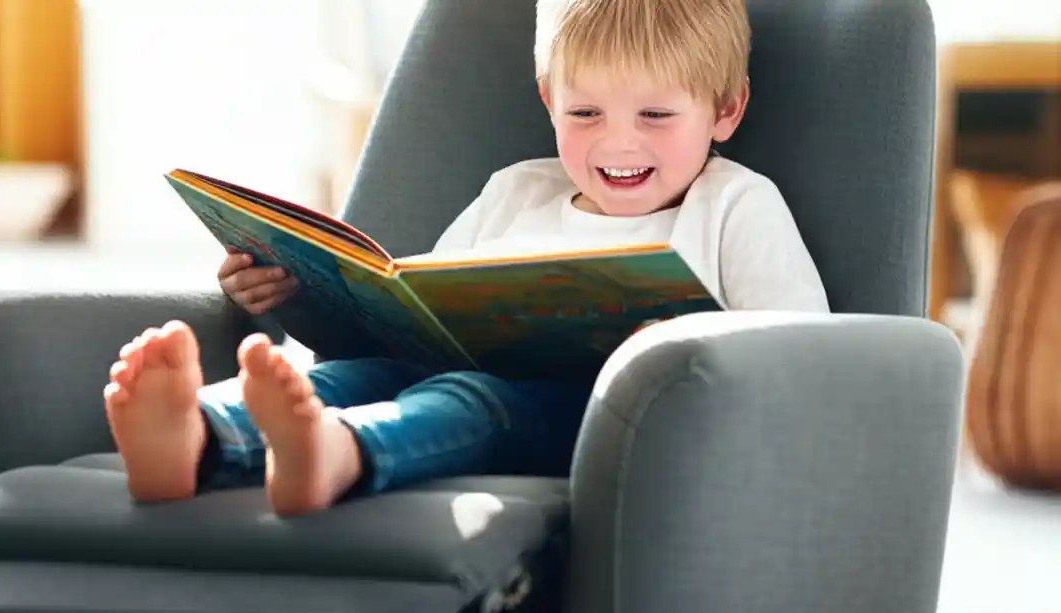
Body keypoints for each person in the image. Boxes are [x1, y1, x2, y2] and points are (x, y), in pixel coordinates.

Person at [102, 0, 830, 515]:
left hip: (601, 422)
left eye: (656, 116)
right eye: (585, 114)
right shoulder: (516, 191)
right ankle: (200, 438)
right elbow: (422, 308)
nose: (617, 143)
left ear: (726, 110)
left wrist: (674, 350)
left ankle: (341, 455)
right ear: (549, 100)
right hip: (452, 374)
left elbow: (802, 352)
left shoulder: (735, 204)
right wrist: (292, 291)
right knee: (362, 374)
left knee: (476, 402)